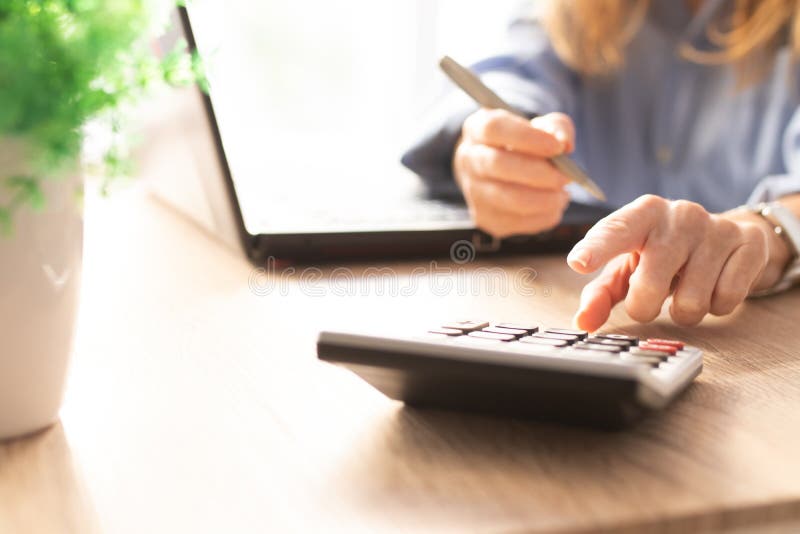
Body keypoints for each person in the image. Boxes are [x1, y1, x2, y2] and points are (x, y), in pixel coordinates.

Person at [402, 0, 800, 331]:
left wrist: (769, 231)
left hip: (758, 342)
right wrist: (493, 145)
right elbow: (511, 72)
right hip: (566, 307)